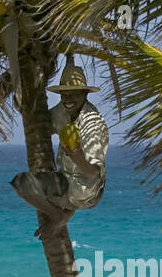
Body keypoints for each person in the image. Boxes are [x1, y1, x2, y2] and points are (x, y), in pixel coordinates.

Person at [11, 56, 109, 238]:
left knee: (35, 190)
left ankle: (59, 215)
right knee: (21, 183)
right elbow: (42, 126)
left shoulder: (93, 124)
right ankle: (62, 209)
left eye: (73, 94)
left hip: (86, 192)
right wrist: (21, 100)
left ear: (85, 94)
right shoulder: (64, 110)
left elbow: (94, 174)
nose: (67, 99)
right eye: (64, 94)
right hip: (65, 181)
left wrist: (76, 155)